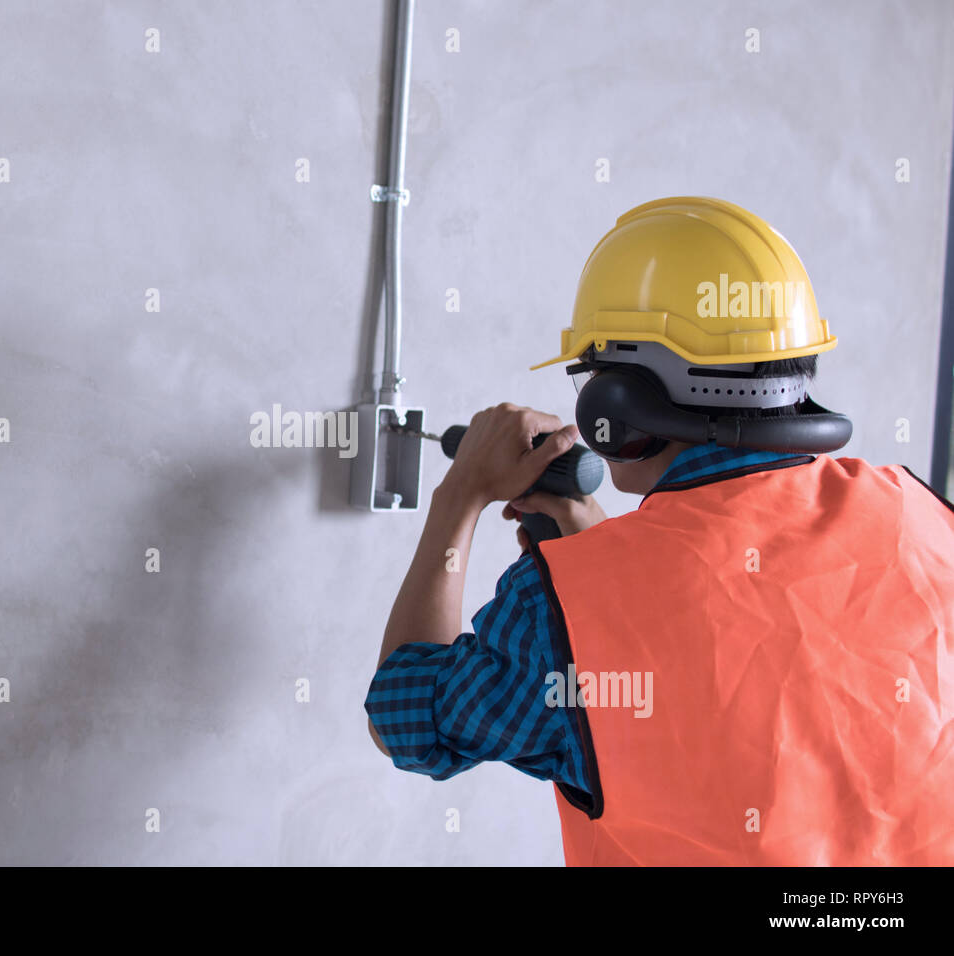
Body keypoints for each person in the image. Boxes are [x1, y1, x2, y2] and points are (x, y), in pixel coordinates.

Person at [364, 197, 954, 865]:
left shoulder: (552, 612)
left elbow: (403, 718)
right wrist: (596, 556)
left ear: (619, 403)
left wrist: (460, 497)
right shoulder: (923, 516)